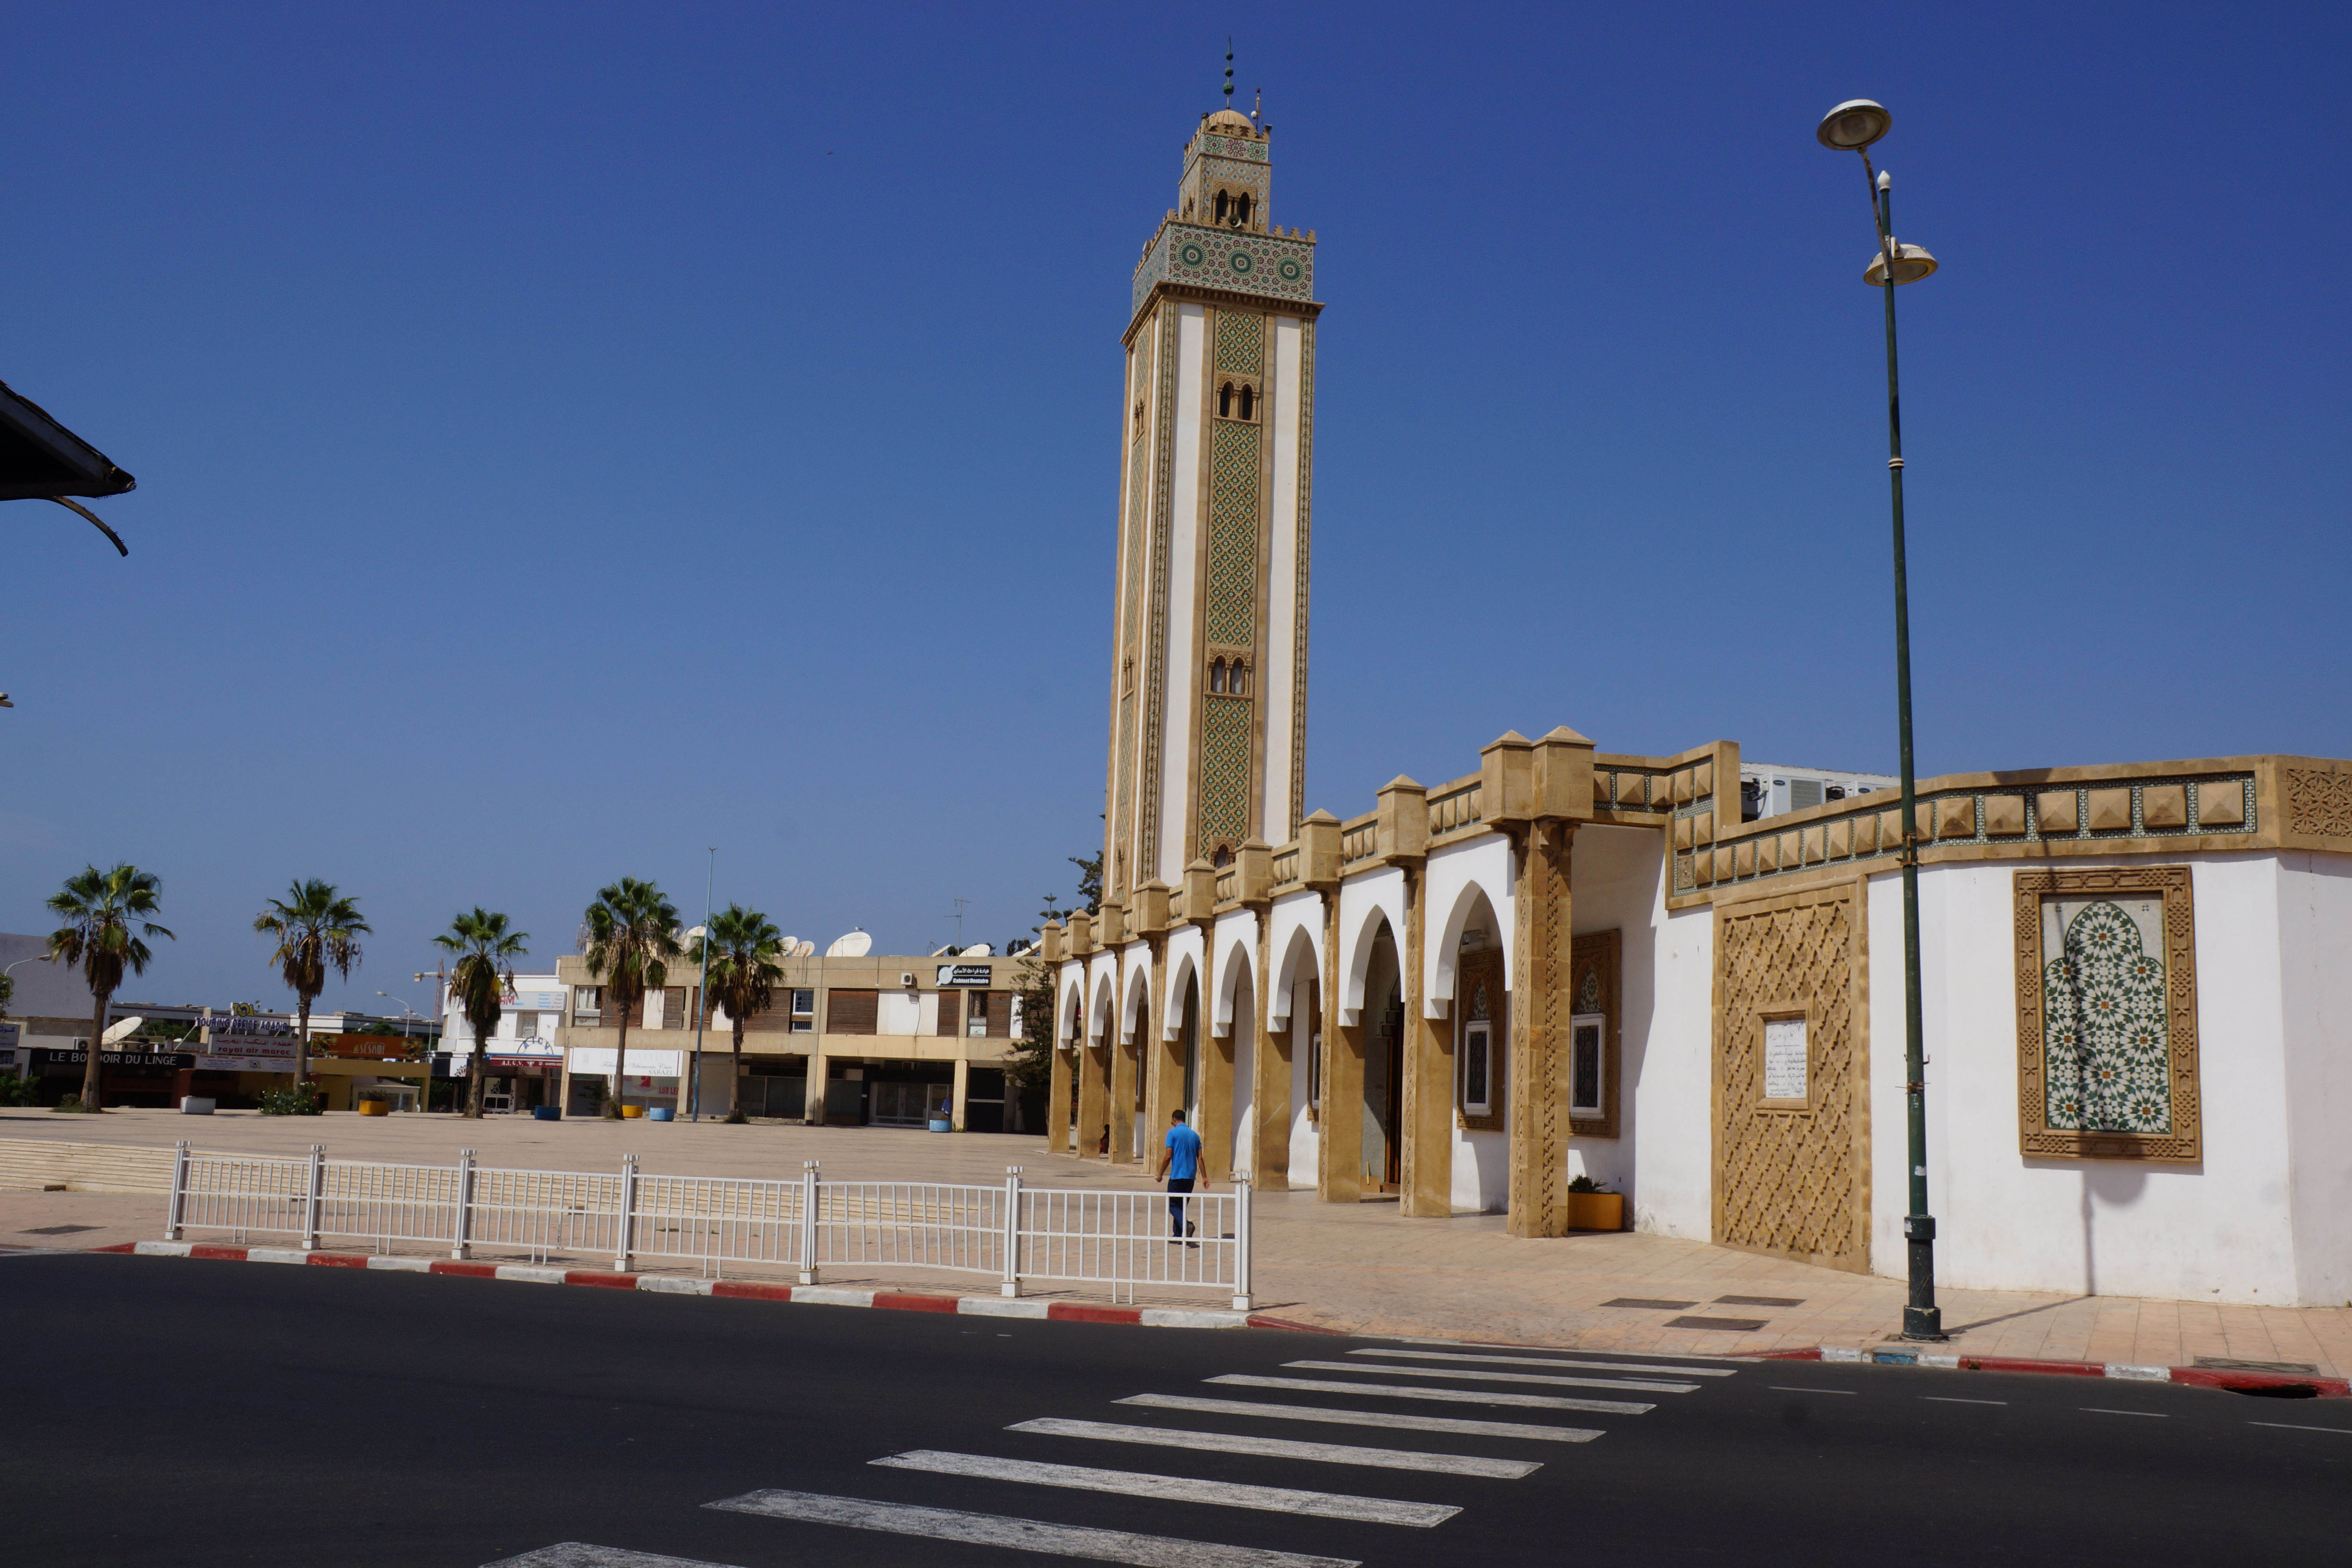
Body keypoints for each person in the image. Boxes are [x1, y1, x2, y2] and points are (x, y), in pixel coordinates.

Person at [1154, 1108, 1208, 1245]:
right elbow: (1200, 1158)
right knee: (1182, 1205)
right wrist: (1204, 1177)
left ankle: (1187, 1225)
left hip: (1178, 1175)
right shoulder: (1195, 1135)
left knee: (1173, 1205)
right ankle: (1178, 1236)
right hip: (1190, 1177)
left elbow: (1168, 1156)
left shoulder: (1172, 1133)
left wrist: (1160, 1173)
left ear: (1174, 1120)